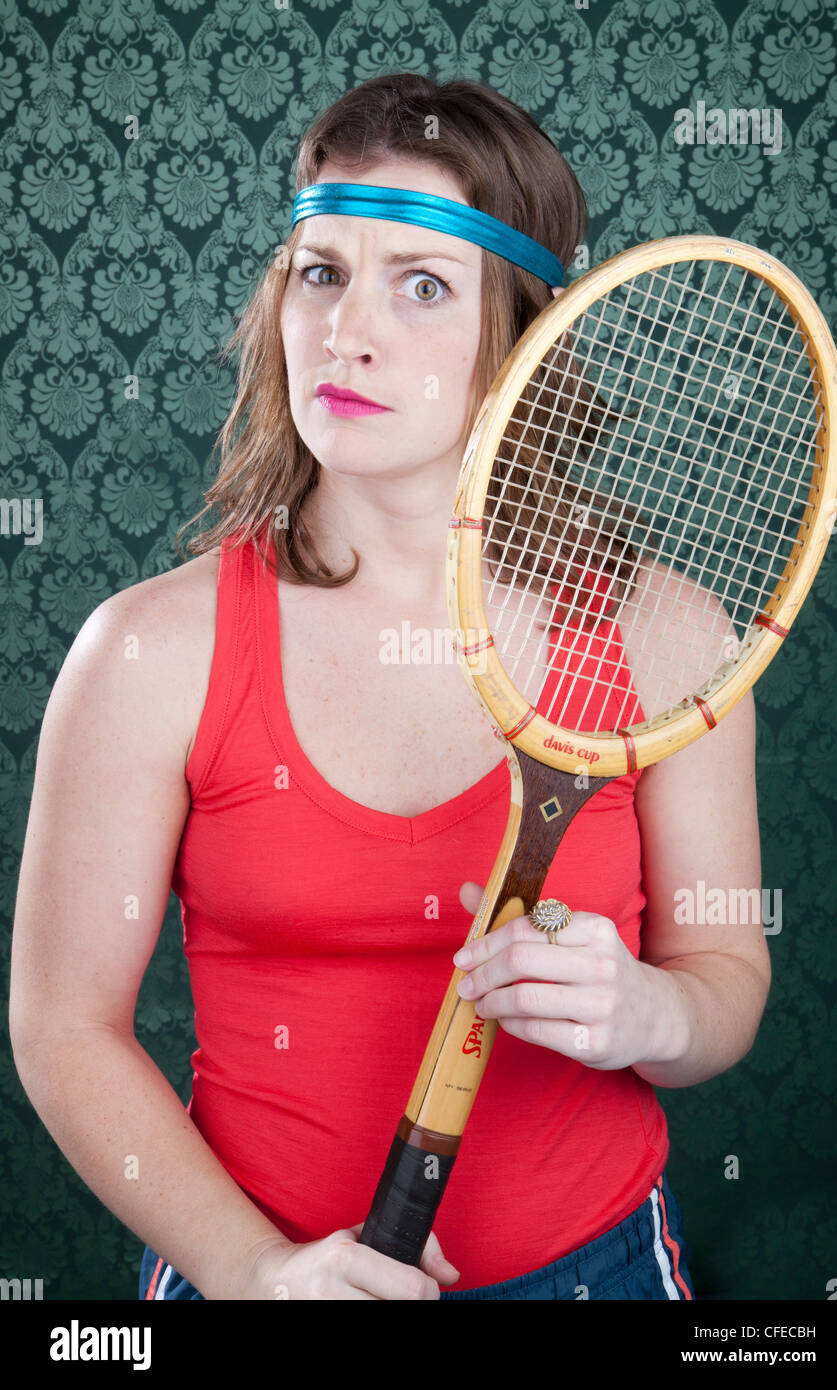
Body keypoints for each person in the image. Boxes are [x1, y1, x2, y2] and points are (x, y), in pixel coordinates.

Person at [9, 74, 769, 1301]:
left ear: (515, 334)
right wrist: (252, 1268)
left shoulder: (661, 628)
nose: (346, 329)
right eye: (320, 273)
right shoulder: (148, 651)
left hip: (599, 1269)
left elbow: (725, 977)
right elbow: (61, 1028)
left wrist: (649, 1016)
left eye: (422, 284)